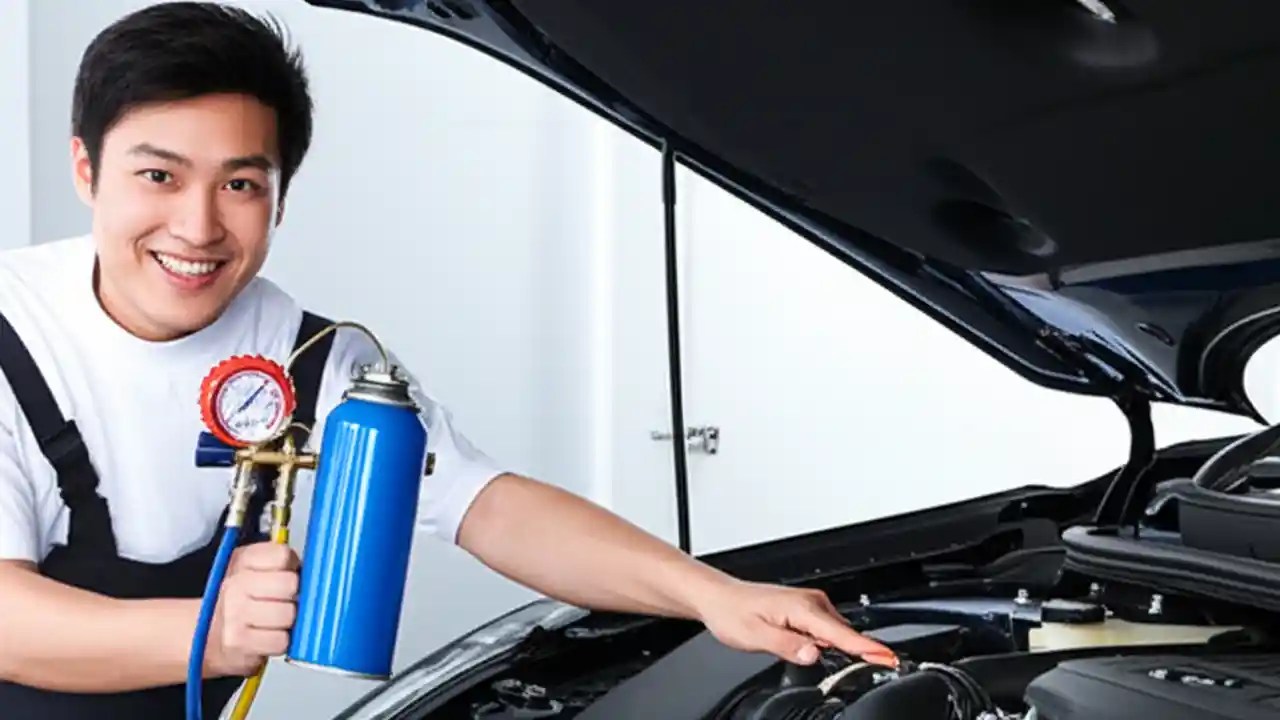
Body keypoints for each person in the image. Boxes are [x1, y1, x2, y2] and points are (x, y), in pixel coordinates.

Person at [0, 2, 896, 717]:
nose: (198, 228)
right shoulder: (15, 333)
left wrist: (711, 597)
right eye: (158, 176)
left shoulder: (314, 357)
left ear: (280, 195)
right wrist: (208, 636)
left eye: (240, 184)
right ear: (86, 171)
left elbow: (486, 504)